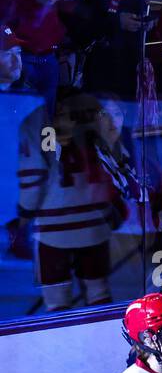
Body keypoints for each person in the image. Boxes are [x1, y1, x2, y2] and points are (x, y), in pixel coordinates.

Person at [18, 86, 126, 310]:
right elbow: (117, 160)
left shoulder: (37, 119)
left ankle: (63, 345)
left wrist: (24, 214)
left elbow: (33, 176)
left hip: (52, 228)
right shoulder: (95, 110)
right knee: (99, 293)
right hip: (95, 222)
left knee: (57, 301)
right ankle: (102, 341)